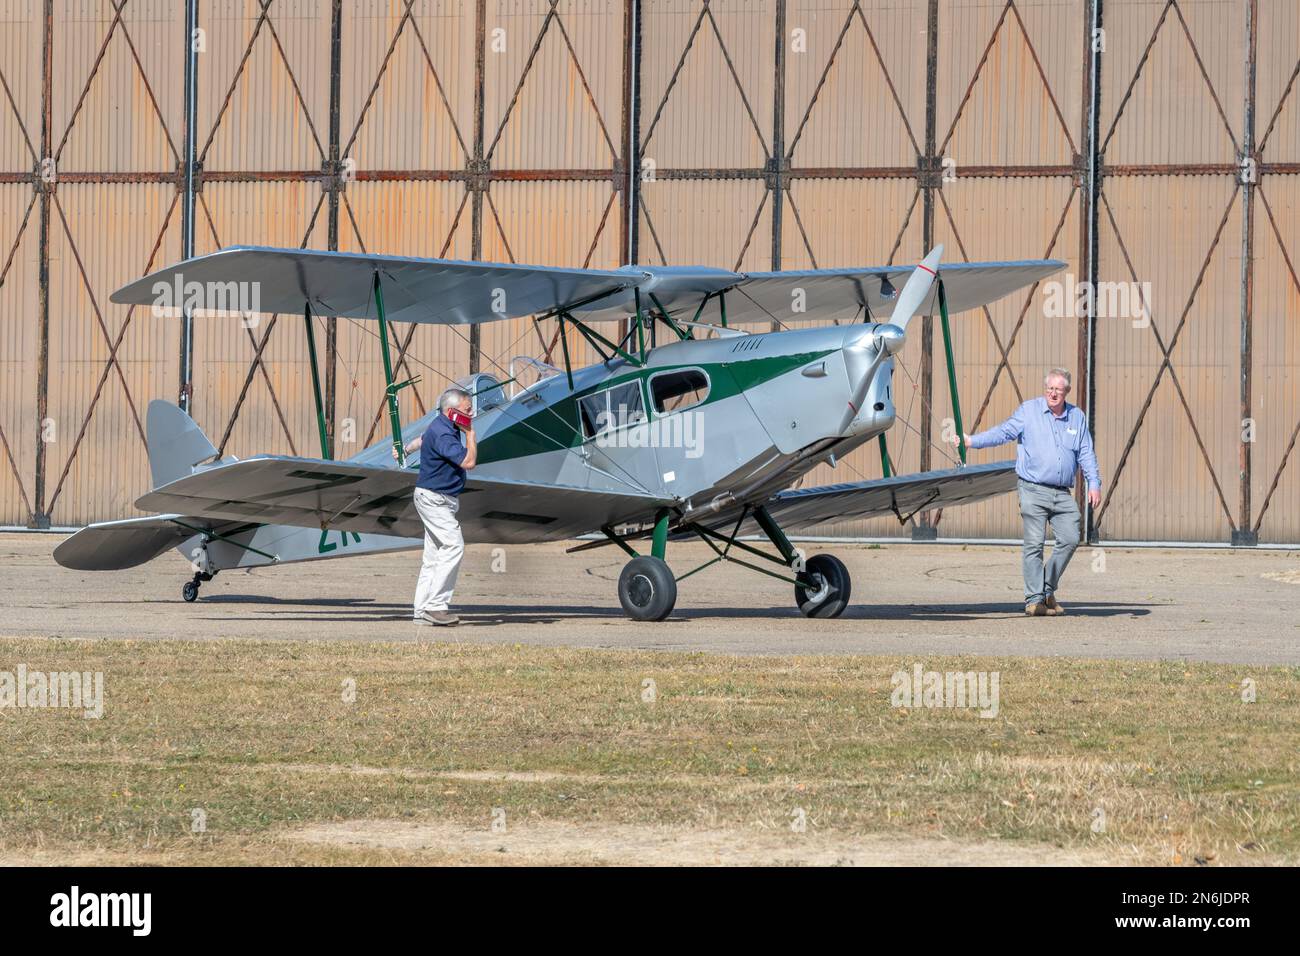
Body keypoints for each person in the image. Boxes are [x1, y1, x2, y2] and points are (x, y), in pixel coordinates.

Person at [963, 367, 1101, 618]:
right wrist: (972, 441)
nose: (1053, 393)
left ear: (1067, 391)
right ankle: (1034, 601)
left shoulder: (1076, 417)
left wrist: (1094, 483)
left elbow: (1086, 452)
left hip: (1061, 492)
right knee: (1034, 544)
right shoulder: (1029, 411)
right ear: (1044, 389)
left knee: (1071, 537)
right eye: (1050, 388)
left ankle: (1047, 588)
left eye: (1059, 389)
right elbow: (1003, 433)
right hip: (1033, 489)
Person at [396, 388, 477, 626]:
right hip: (435, 499)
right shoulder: (445, 433)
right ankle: (436, 606)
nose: (472, 413)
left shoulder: (440, 425)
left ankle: (421, 611)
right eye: (467, 409)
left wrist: (404, 450)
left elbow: (422, 440)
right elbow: (469, 462)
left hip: (436, 498)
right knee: (454, 545)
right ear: (452, 412)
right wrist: (471, 434)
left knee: (433, 557)